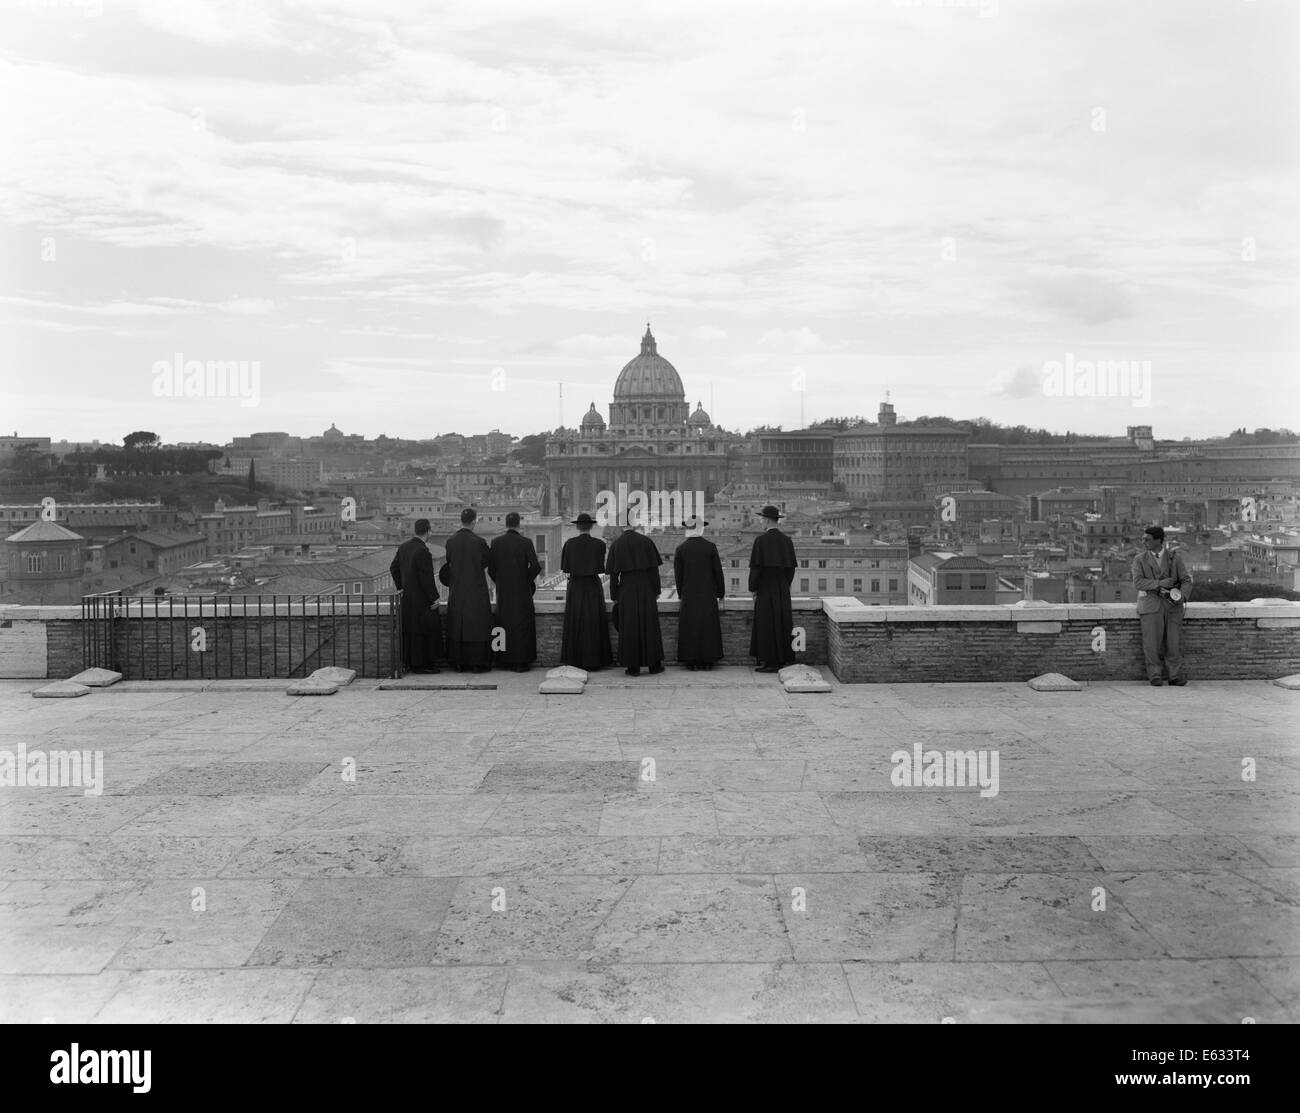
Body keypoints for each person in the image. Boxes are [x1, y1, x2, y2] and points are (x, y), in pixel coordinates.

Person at [1131, 525, 1194, 686]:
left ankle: (1174, 675)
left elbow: (1186, 580)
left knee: (1173, 643)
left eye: (1147, 539)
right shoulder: (1140, 559)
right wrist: (1160, 583)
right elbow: (1138, 582)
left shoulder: (1174, 558)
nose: (1144, 542)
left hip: (1173, 606)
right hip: (1151, 606)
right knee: (1151, 643)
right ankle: (1155, 675)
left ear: (1158, 540)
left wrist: (1182, 596)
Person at [607, 512, 665, 676]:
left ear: (621, 525)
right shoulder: (646, 541)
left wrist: (614, 597)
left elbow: (613, 575)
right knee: (650, 627)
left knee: (629, 628)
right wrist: (657, 591)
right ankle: (654, 665)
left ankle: (633, 667)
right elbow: (654, 570)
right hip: (646, 589)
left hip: (626, 590)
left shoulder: (616, 545)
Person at [439, 507, 493, 672]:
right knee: (477, 627)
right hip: (476, 590)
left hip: (457, 590)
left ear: (461, 520)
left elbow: (449, 563)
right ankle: (477, 663)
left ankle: (458, 663)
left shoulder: (450, 541)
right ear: (474, 521)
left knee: (457, 626)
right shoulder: (479, 542)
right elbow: (486, 561)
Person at [488, 511, 541, 672]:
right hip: (522, 592)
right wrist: (525, 581)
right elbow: (536, 567)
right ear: (519, 525)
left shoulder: (496, 542)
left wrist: (501, 582)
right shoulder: (526, 542)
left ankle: (504, 659)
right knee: (522, 625)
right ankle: (521, 661)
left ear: (506, 524)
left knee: (503, 625)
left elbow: (491, 568)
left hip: (504, 592)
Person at [559, 512, 613, 670]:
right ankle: (596, 660)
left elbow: (565, 568)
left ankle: (575, 660)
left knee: (575, 621)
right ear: (591, 527)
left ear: (577, 526)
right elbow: (601, 568)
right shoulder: (600, 544)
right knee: (594, 622)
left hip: (575, 585)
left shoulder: (569, 544)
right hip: (592, 585)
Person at [389, 518, 441, 673]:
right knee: (422, 633)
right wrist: (434, 597)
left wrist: (401, 587)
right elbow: (427, 577)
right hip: (422, 600)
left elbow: (393, 568)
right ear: (428, 531)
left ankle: (411, 663)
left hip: (408, 598)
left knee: (411, 631)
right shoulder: (423, 551)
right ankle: (421, 666)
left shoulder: (404, 547)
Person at [749, 504, 796, 673]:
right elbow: (791, 568)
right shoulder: (787, 541)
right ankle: (781, 659)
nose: (760, 521)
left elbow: (756, 568)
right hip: (782, 587)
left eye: (762, 518)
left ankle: (769, 662)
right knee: (782, 623)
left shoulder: (760, 541)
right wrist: (785, 584)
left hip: (765, 587)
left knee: (766, 624)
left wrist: (753, 588)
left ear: (768, 520)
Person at [674, 517, 725, 670]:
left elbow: (679, 576)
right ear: (701, 528)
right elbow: (718, 572)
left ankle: (692, 661)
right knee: (708, 627)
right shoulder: (710, 547)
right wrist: (720, 593)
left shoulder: (681, 549)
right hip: (708, 594)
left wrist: (680, 594)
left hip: (689, 595)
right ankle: (709, 661)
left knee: (691, 628)